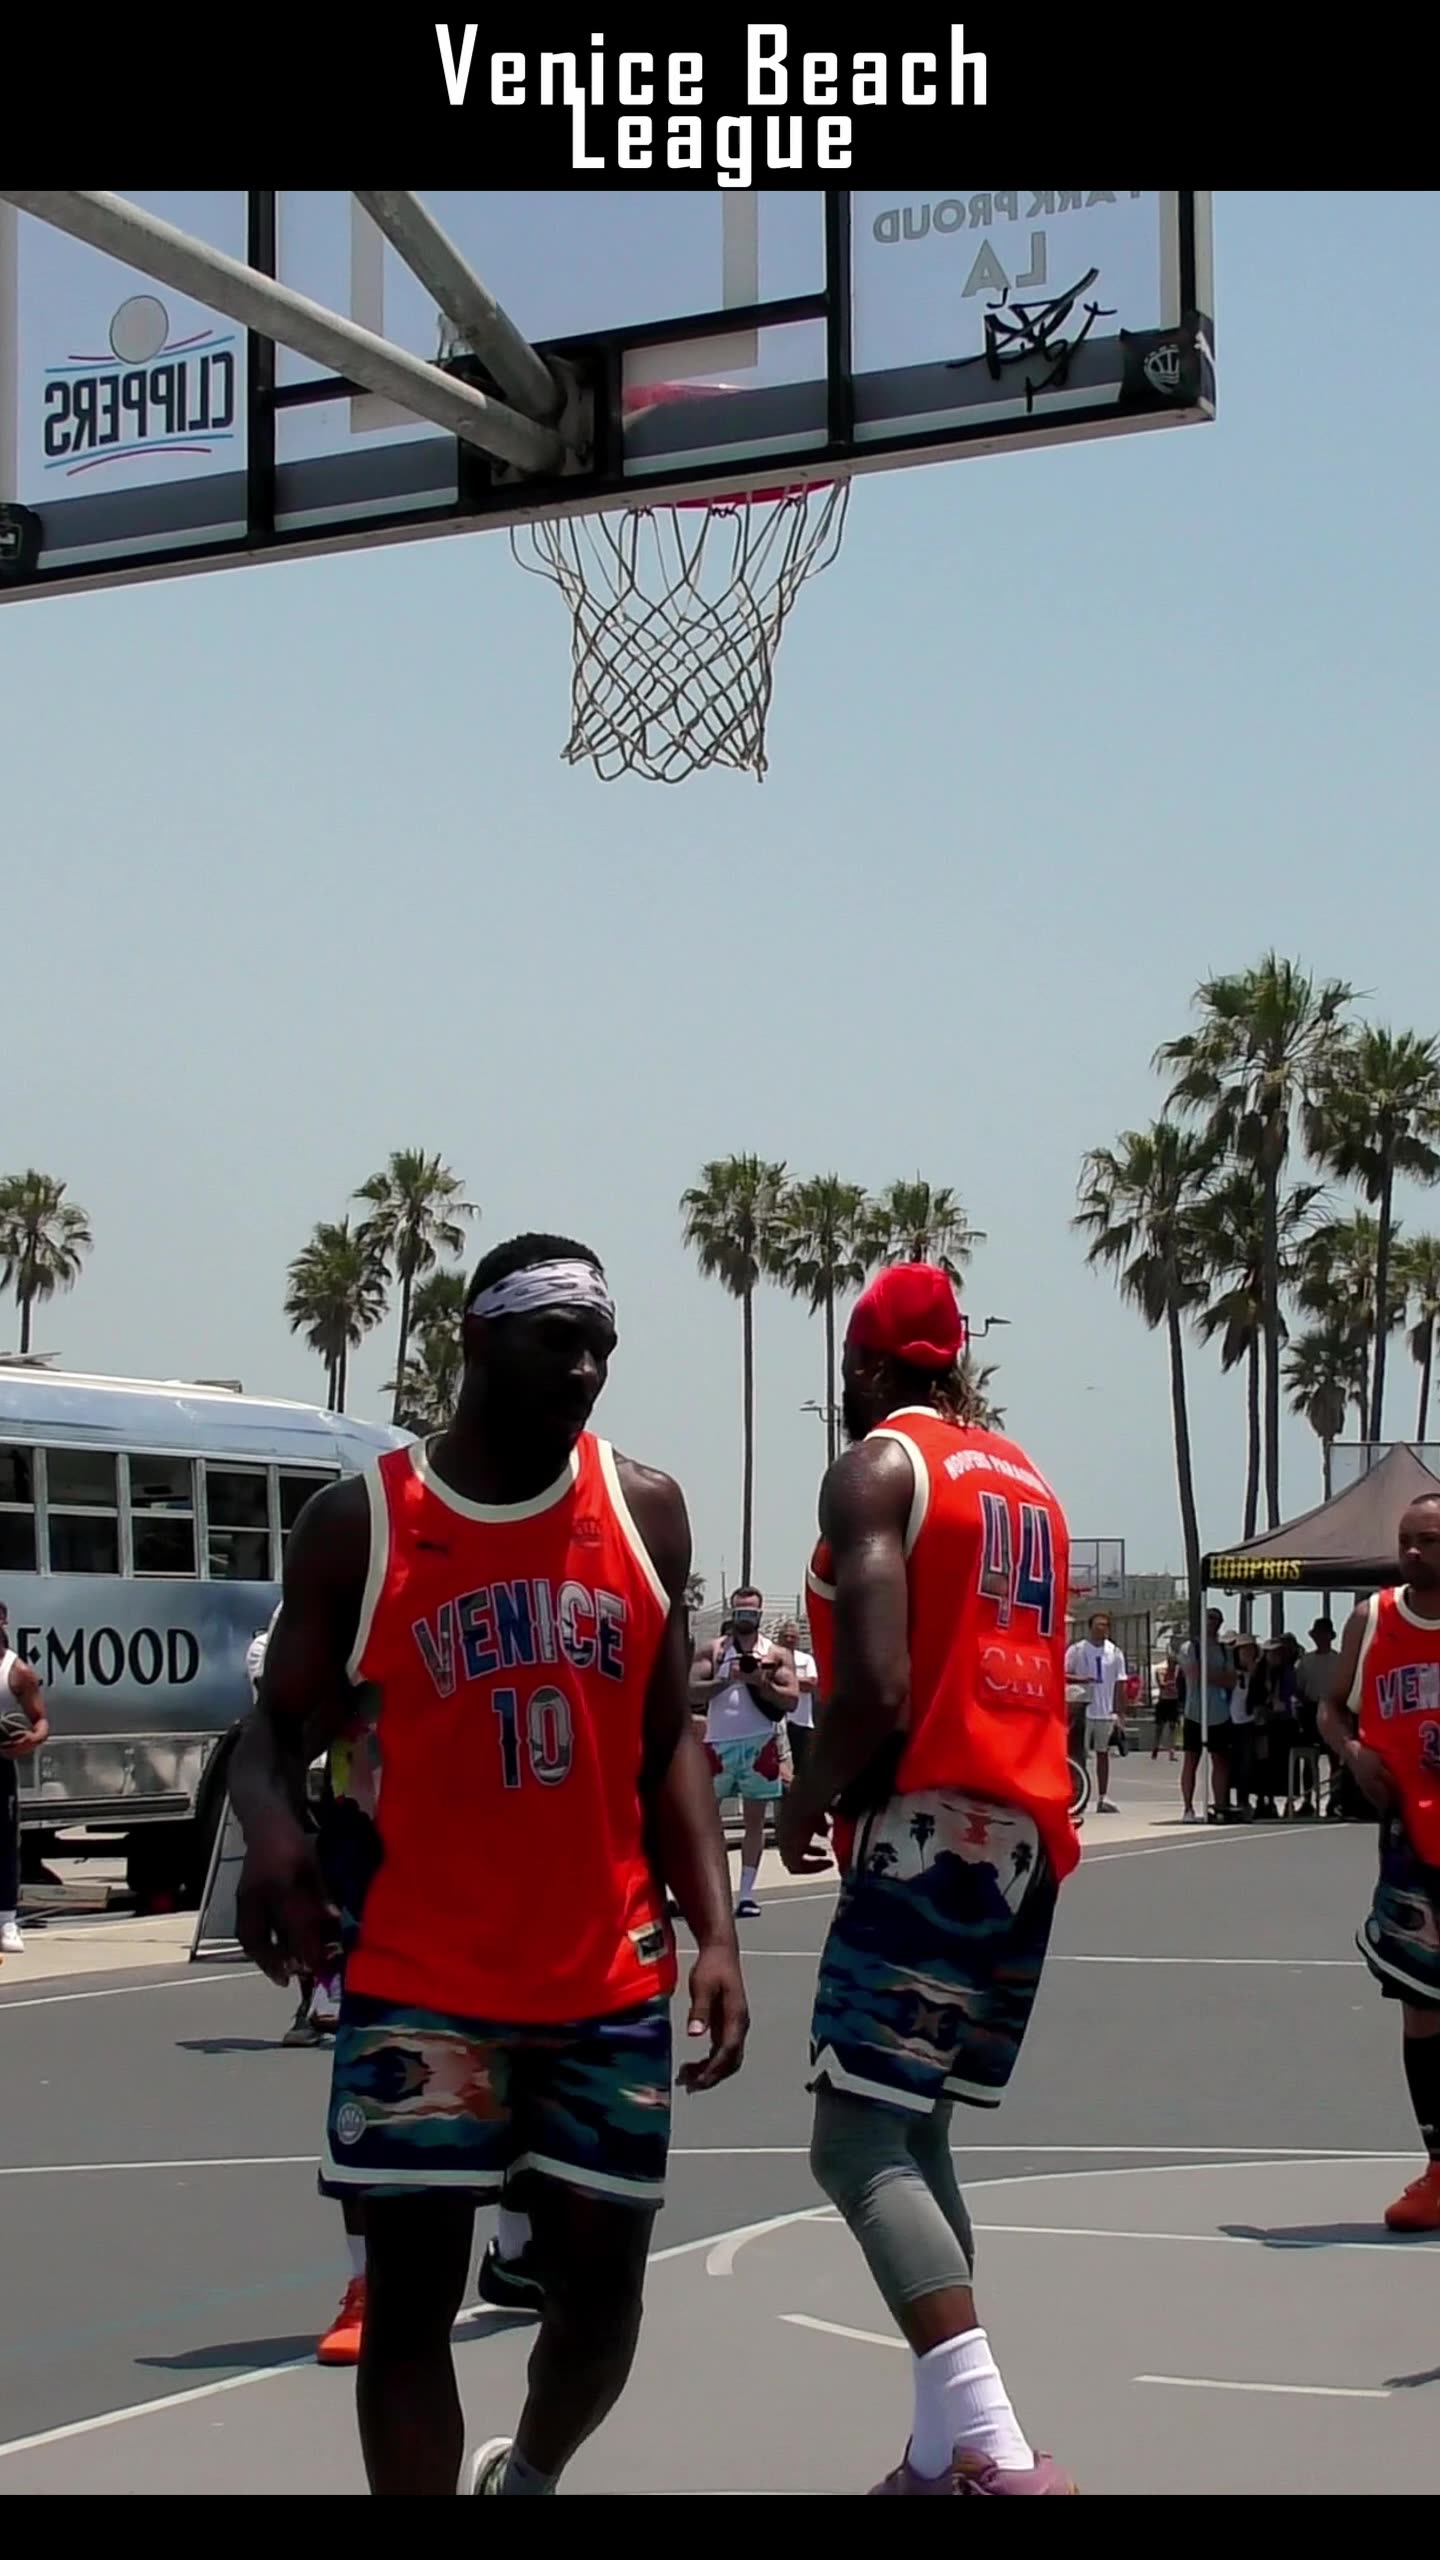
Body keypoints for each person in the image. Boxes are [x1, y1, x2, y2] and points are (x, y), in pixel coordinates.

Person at [230, 1234, 747, 2496]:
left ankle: (531, 2474)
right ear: (473, 1337)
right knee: (410, 2306)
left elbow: (667, 1733)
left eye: (603, 1348)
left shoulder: (647, 1510)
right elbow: (270, 1729)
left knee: (601, 2306)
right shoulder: (366, 1524)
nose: (586, 1370)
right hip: (420, 1976)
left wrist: (718, 1931)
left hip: (605, 1979)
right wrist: (278, 1834)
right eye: (557, 1339)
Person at [780, 1262, 1078, 2498]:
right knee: (921, 2130)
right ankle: (934, 2450)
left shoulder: (878, 1471)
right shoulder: (1028, 1483)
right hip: (1022, 1837)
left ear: (864, 1366)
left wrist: (801, 1802)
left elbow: (879, 1686)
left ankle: (998, 2449)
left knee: (852, 2144)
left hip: (927, 1826)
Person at [1319, 1495, 1440, 2234]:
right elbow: (1330, 1706)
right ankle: (1438, 2166)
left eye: (1429, 1540)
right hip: (1408, 1837)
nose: (1416, 1553)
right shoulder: (1374, 1618)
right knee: (1421, 2005)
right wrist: (1355, 1751)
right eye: (1408, 1541)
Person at [691, 1589, 797, 1917]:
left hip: (758, 1743)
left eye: (751, 1614)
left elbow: (791, 1698)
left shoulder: (775, 1653)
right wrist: (725, 1680)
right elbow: (689, 1689)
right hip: (718, 1744)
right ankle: (708, 1895)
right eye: (739, 1614)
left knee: (754, 1821)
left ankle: (747, 1894)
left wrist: (759, 1683)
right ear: (732, 1614)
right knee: (704, 1823)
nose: (745, 1619)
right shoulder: (714, 1650)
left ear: (760, 1615)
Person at [0, 1622, 48, 1955]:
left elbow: (41, 1720)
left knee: (3, 1844)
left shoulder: (17, 1672)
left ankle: (7, 1920)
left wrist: (33, 1738)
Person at [1064, 1611, 1127, 1813]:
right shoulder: (1077, 1649)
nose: (1103, 1629)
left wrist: (1120, 1713)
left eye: (1106, 1625)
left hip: (1104, 1710)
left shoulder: (1114, 1652)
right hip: (1082, 1708)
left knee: (1103, 1753)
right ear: (1090, 1627)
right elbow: (1062, 1673)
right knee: (1077, 1754)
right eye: (1099, 1625)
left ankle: (1103, 1797)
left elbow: (1120, 1683)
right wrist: (1081, 1680)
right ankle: (1075, 1796)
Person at [1179, 1608, 1236, 1823]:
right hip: (1195, 1711)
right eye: (1209, 1619)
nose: (1213, 1623)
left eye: (1216, 1619)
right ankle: (1188, 1808)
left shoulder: (1224, 1650)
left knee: (1220, 1760)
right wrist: (1216, 1676)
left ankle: (1219, 1805)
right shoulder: (1190, 1647)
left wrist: (1211, 1676)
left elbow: (1231, 1680)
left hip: (1219, 1712)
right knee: (1191, 1760)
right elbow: (1194, 1676)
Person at [1293, 1618, 1339, 1814]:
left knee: (1335, 1758)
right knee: (1309, 1760)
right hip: (1311, 1710)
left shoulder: (1339, 1659)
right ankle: (1308, 1801)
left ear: (1330, 1636)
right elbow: (1299, 1688)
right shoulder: (1305, 1661)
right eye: (1317, 1634)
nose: (1320, 1638)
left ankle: (1335, 1800)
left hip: (1334, 1709)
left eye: (1324, 1634)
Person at [776, 1614, 820, 1778]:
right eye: (785, 1636)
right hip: (776, 1721)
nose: (789, 1639)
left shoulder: (806, 1659)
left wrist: (783, 1678)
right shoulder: (770, 1657)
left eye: (792, 1637)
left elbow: (810, 1684)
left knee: (802, 1767)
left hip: (801, 1721)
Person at [1151, 1644, 1181, 1760]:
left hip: (1173, 1701)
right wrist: (1171, 1684)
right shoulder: (1161, 1671)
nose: (1173, 1666)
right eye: (1172, 1663)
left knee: (1172, 1727)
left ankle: (1171, 1752)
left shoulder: (1178, 1674)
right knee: (1159, 1727)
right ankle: (1155, 1748)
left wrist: (1172, 1684)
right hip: (1163, 1701)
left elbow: (1179, 1686)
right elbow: (1162, 1684)